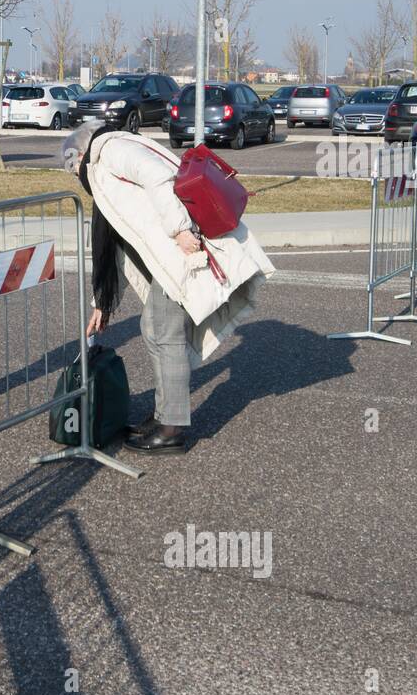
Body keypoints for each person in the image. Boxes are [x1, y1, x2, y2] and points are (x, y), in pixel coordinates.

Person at [62, 122, 275, 454]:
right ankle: (164, 416)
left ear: (78, 155)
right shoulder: (109, 156)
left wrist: (177, 229)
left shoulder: (111, 153)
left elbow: (158, 176)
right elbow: (113, 243)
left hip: (181, 250)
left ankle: (171, 429)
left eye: (73, 167)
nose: (76, 175)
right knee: (154, 328)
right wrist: (102, 302)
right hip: (171, 257)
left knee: (163, 331)